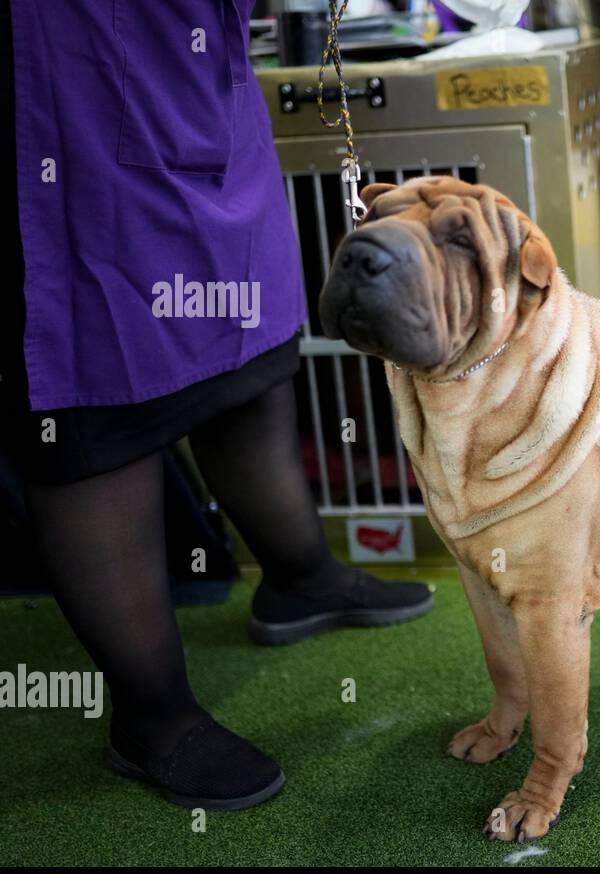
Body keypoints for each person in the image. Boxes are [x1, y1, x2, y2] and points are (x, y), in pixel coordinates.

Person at [0, 1, 433, 810]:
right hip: (66, 74)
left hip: (194, 67)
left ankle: (299, 576)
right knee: (99, 392)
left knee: (249, 344)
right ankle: (152, 716)